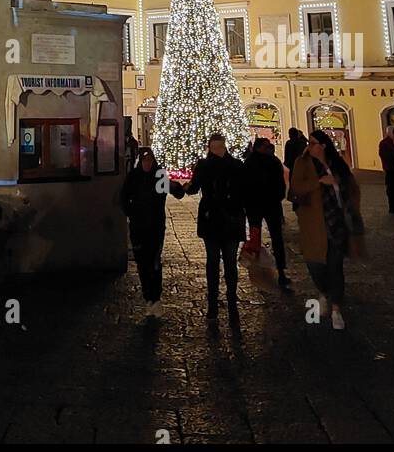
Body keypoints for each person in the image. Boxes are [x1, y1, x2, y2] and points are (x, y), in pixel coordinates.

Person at [291, 130, 363, 331]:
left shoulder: (336, 163)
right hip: (314, 224)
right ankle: (323, 292)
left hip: (336, 222)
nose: (309, 146)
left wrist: (344, 192)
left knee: (335, 267)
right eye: (309, 142)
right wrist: (319, 182)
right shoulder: (302, 163)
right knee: (316, 265)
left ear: (323, 145)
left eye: (313, 142)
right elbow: (296, 188)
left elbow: (351, 186)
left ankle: (336, 309)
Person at [185, 133, 246, 326]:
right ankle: (213, 302)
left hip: (230, 218)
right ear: (209, 147)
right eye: (214, 146)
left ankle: (231, 299)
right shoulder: (204, 165)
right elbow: (194, 188)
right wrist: (185, 187)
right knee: (212, 261)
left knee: (229, 262)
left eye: (220, 146)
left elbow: (245, 192)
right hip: (212, 219)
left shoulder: (237, 165)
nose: (218, 149)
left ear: (225, 146)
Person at [120, 147, 185, 319]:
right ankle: (148, 297)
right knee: (142, 262)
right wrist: (131, 212)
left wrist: (177, 187)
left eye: (149, 161)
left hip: (155, 226)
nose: (147, 164)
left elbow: (172, 191)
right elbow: (124, 197)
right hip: (138, 226)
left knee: (154, 261)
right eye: (144, 161)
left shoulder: (159, 175)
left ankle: (155, 297)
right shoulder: (134, 176)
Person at [241, 136, 292, 291]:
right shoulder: (269, 161)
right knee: (273, 238)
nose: (270, 147)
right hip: (267, 205)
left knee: (259, 238)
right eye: (266, 145)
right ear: (258, 147)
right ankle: (276, 271)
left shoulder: (251, 162)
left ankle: (263, 270)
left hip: (258, 206)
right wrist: (277, 196)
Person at [378, 127, 394, 213]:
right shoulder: (384, 143)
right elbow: (384, 155)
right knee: (392, 189)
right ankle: (393, 207)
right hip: (390, 169)